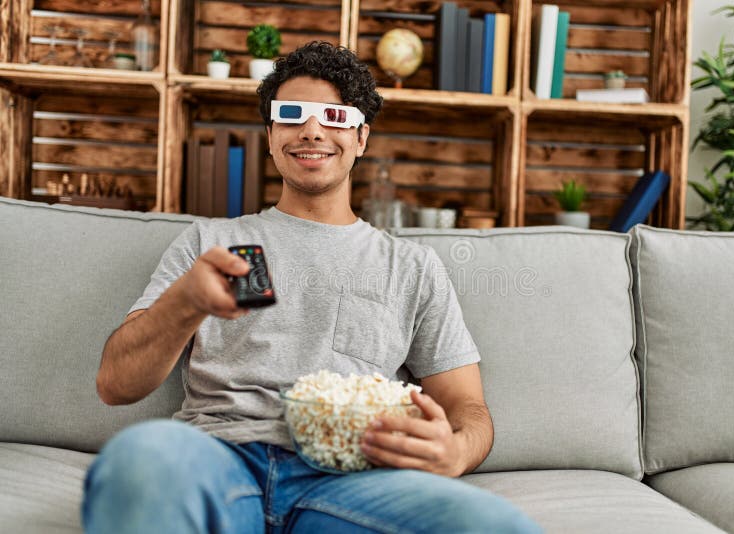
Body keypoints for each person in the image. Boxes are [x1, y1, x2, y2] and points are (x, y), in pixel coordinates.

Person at [82, 41, 541, 534]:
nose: (312, 131)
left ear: (361, 138)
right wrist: (186, 302)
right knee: (137, 458)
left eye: (335, 117)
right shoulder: (213, 243)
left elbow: (468, 408)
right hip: (218, 458)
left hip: (352, 476)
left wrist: (456, 452)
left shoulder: (411, 266)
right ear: (271, 133)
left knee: (493, 524)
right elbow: (116, 385)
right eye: (292, 114)